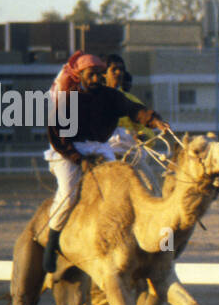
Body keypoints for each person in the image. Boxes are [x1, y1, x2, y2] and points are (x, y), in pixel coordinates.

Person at [43, 50, 172, 273]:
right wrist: (79, 159)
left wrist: (154, 120)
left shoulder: (109, 96)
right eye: (90, 75)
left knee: (121, 188)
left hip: (101, 147)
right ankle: (51, 242)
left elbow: (133, 110)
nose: (95, 79)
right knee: (68, 194)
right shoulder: (67, 98)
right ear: (80, 74)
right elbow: (58, 136)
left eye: (98, 75)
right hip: (67, 150)